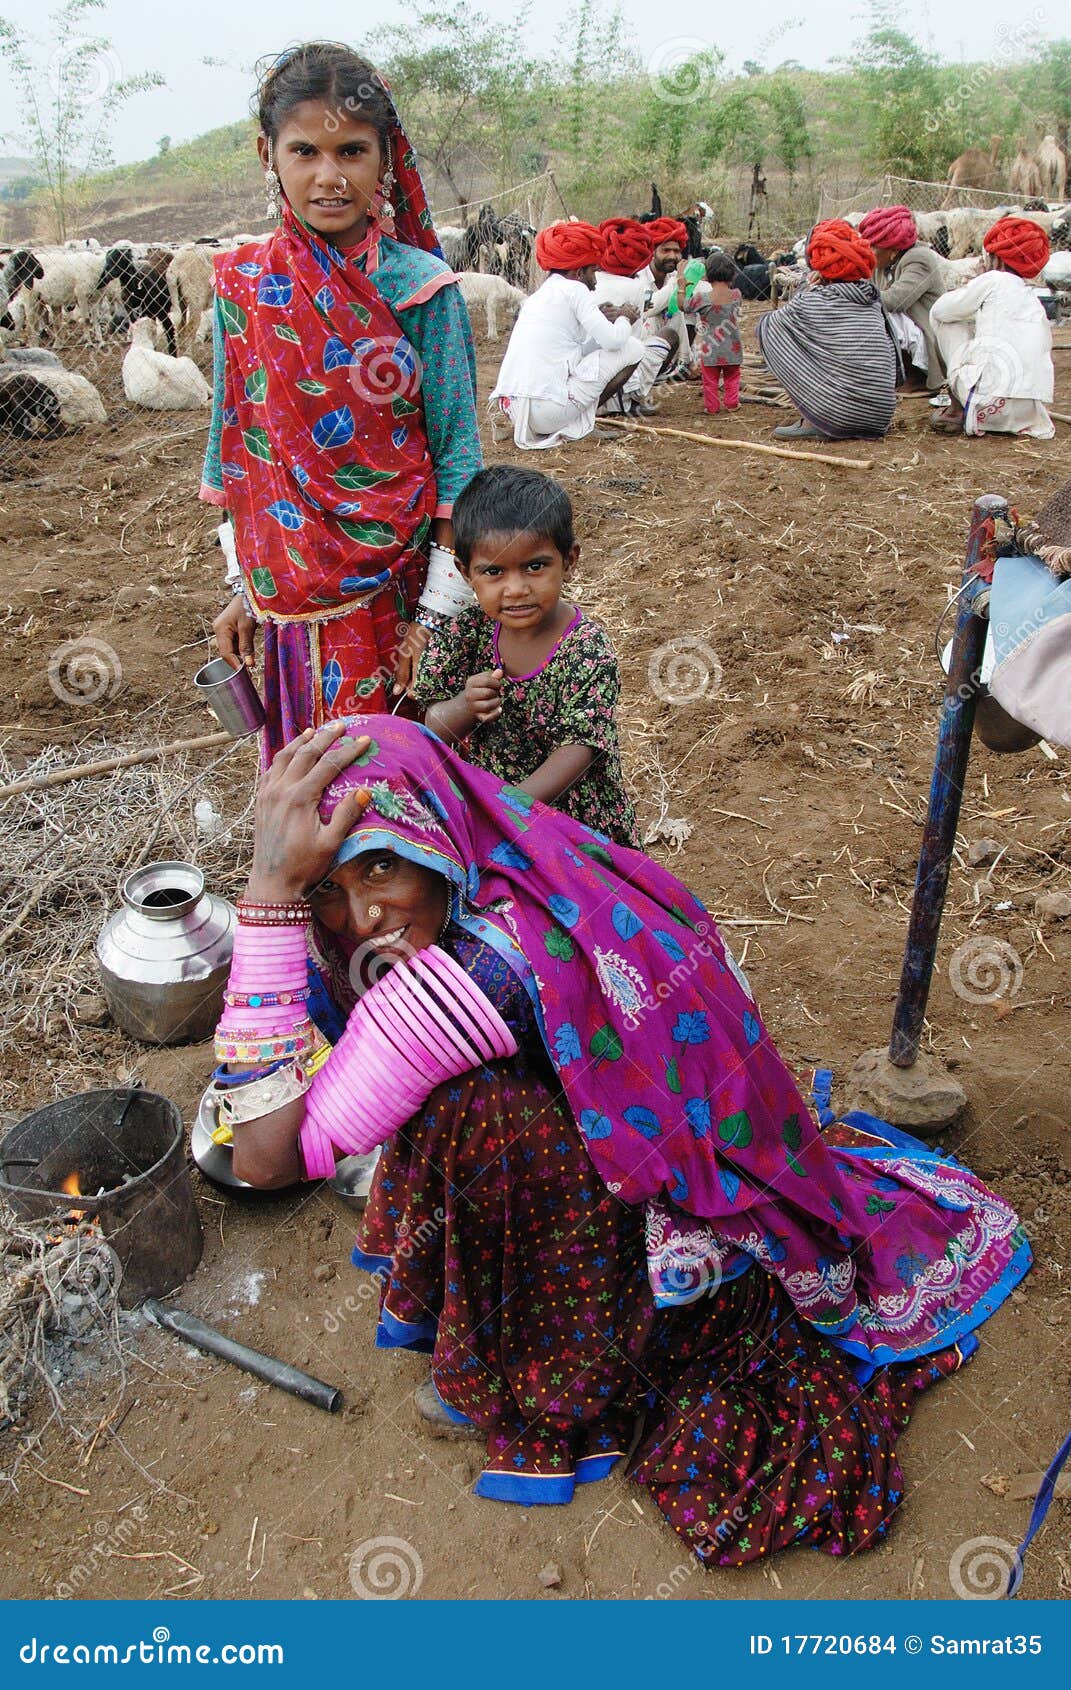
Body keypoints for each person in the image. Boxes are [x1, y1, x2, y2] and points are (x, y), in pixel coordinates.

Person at [217, 713, 1029, 1570]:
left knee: (472, 1115)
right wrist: (289, 893)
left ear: (429, 827)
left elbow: (265, 1157)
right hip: (661, 1142)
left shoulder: (475, 974)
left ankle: (558, 1358)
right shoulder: (518, 857)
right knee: (463, 1102)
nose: (363, 914)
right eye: (323, 887)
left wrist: (269, 894)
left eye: (380, 862)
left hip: (658, 1216)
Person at [200, 42, 482, 757]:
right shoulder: (246, 283)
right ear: (270, 155)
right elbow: (236, 442)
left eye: (352, 151)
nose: (329, 177)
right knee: (310, 771)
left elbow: (455, 450)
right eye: (305, 152)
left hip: (400, 589)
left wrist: (438, 616)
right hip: (289, 592)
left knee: (394, 771)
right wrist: (246, 588)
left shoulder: (420, 288)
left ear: (386, 158)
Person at [409, 465, 639, 846]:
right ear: (466, 573)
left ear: (569, 560)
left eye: (534, 567)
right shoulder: (465, 633)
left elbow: (579, 748)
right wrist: (465, 706)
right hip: (494, 814)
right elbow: (433, 725)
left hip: (577, 825)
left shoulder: (585, 647)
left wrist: (510, 809)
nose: (515, 589)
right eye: (494, 572)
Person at [490, 221, 645, 449]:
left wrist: (601, 319)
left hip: (514, 409)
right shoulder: (576, 289)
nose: (595, 280)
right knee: (633, 347)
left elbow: (572, 350)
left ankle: (574, 419)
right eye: (593, 271)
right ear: (578, 272)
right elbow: (613, 341)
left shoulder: (539, 296)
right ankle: (583, 423)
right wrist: (625, 318)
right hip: (547, 414)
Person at [757, 219, 898, 441]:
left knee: (768, 326)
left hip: (839, 417)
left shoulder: (812, 300)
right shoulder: (871, 300)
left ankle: (815, 419)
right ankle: (851, 411)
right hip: (879, 417)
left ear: (817, 264)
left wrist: (807, 287)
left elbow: (777, 322)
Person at [929, 217, 1054, 439]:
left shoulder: (993, 279)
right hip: (1029, 414)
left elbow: (940, 311)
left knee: (947, 320)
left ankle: (957, 409)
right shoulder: (1034, 301)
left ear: (995, 259)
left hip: (986, 407)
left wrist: (973, 283)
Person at [858, 204, 948, 392]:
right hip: (911, 329)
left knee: (878, 316)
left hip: (929, 334)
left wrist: (848, 288)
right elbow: (861, 285)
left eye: (873, 246)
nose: (869, 251)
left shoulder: (919, 258)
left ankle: (914, 376)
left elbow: (893, 301)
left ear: (892, 250)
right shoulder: (882, 263)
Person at [593, 218, 677, 414]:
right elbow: (652, 309)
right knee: (666, 336)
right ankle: (633, 397)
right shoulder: (637, 286)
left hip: (583, 382)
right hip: (617, 378)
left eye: (675, 251)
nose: (672, 255)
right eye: (666, 250)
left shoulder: (588, 281)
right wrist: (677, 284)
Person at [682, 252, 743, 414]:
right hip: (733, 347)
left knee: (710, 380)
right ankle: (732, 403)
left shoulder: (701, 298)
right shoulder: (737, 295)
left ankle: (712, 407)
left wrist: (682, 286)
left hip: (710, 348)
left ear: (707, 275)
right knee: (732, 377)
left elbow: (684, 307)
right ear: (733, 274)